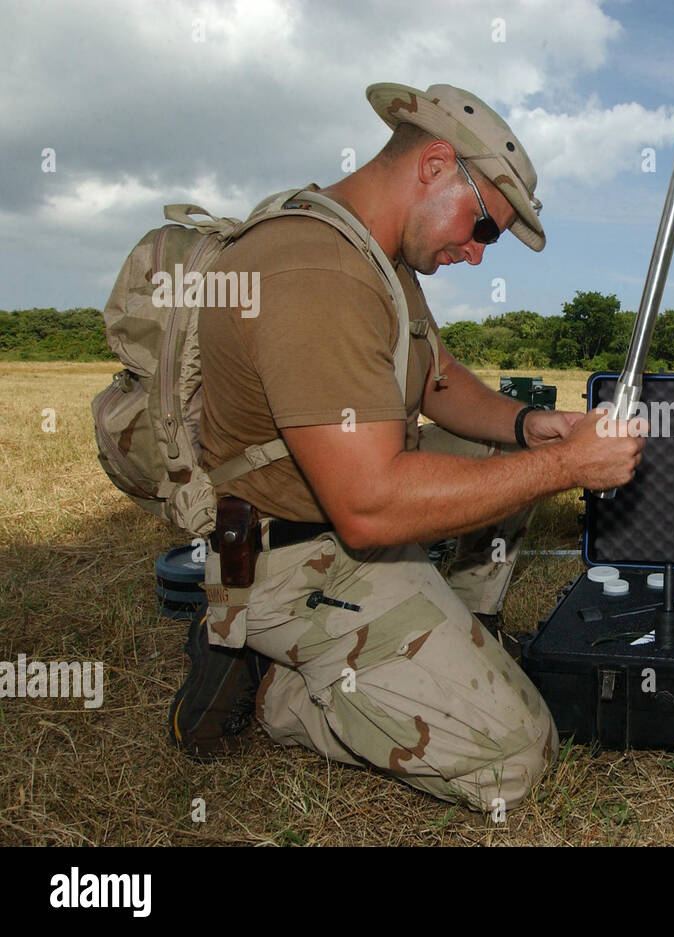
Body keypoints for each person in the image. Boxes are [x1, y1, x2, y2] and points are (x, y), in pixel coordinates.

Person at [171, 81, 645, 810]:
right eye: (484, 226)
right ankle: (275, 686)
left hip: (341, 518)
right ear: (433, 166)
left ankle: (455, 632)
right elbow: (368, 507)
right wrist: (562, 466)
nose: (478, 255)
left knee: (498, 453)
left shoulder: (374, 254)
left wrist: (531, 429)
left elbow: (440, 379)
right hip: (294, 557)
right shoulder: (313, 271)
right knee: (512, 759)